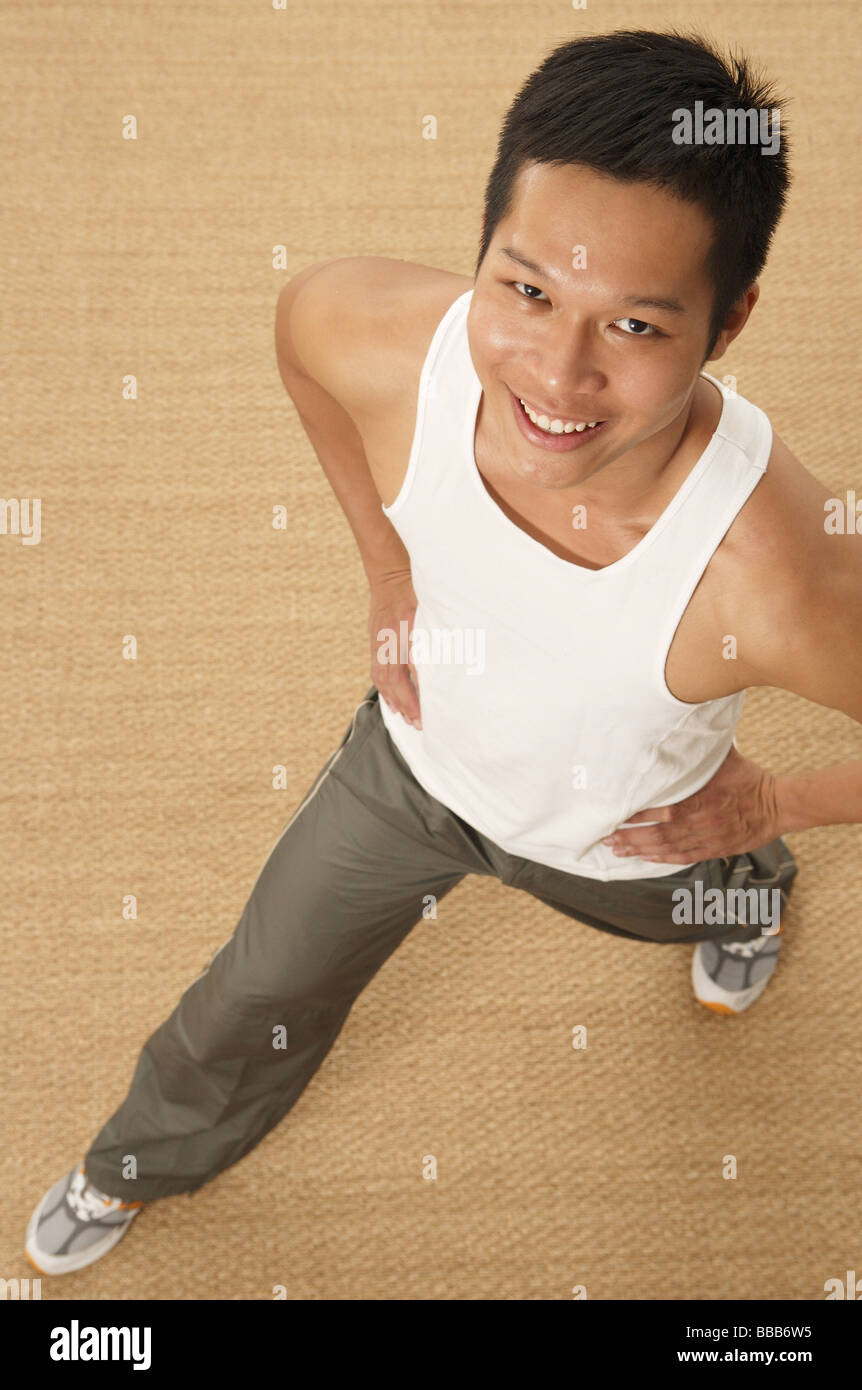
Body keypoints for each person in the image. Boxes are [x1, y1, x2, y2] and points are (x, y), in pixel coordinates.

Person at [26, 27, 862, 1278]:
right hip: (414, 770)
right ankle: (136, 1159)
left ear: (729, 318)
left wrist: (776, 797)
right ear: (481, 252)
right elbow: (299, 349)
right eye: (523, 291)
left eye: (633, 324)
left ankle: (756, 884)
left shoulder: (781, 578)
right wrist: (388, 565)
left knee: (730, 881)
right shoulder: (365, 331)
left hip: (628, 832)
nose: (556, 377)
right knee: (254, 989)